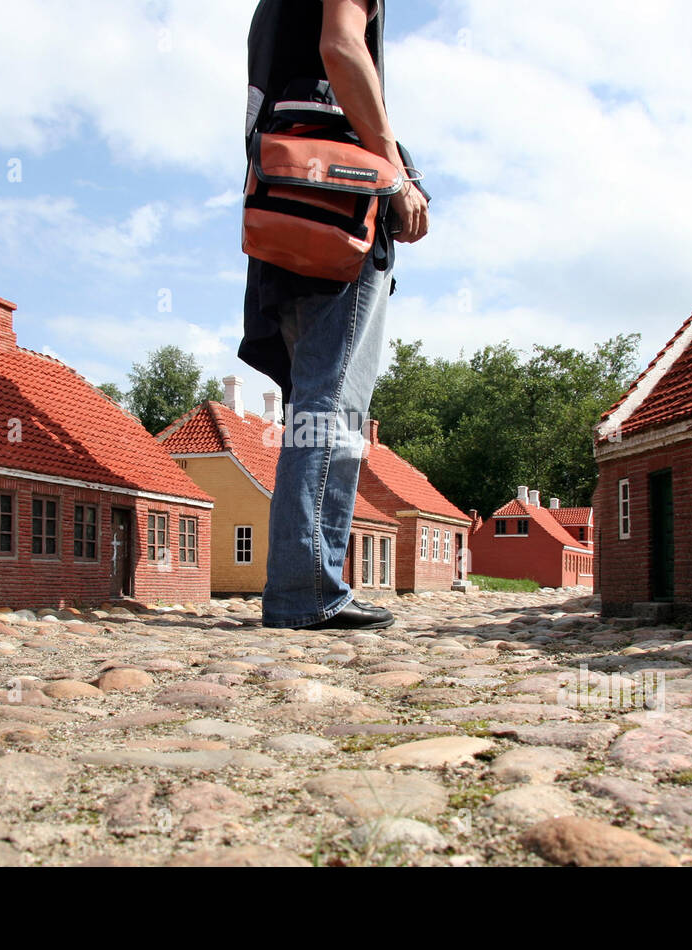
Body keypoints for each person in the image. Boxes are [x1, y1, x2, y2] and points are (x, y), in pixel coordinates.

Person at [239, 0, 428, 629]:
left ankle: (299, 585)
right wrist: (397, 176)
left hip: (287, 213)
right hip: (337, 215)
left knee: (312, 404)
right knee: (332, 405)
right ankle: (305, 592)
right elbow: (342, 48)